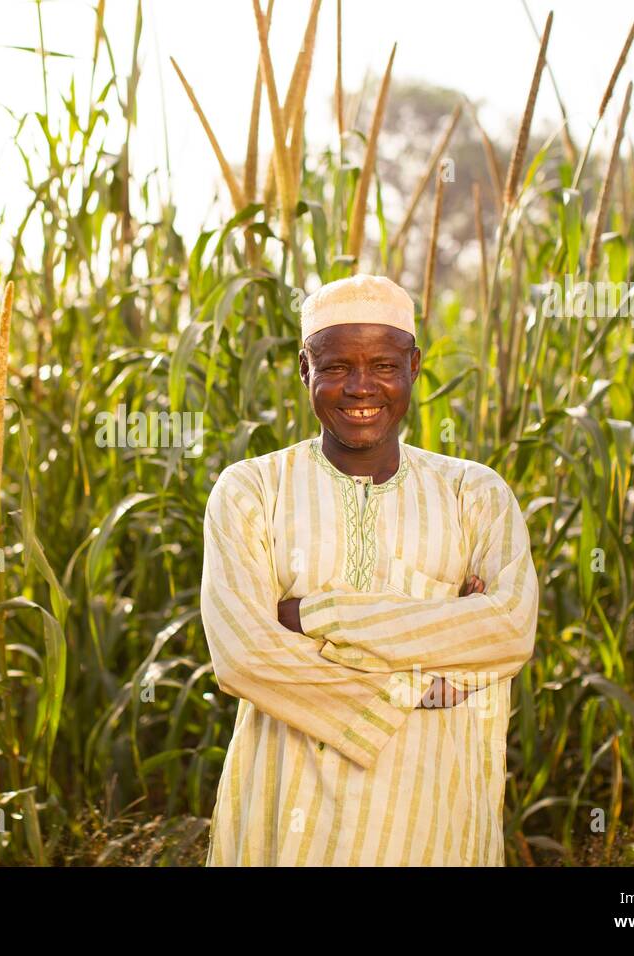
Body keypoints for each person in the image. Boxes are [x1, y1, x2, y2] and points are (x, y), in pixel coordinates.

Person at [200, 274, 539, 866]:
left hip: (435, 807)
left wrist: (317, 614)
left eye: (383, 365)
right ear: (305, 369)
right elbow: (243, 655)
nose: (361, 388)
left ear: (413, 365)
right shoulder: (252, 491)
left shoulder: (475, 493)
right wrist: (431, 662)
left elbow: (509, 630)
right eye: (335, 367)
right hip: (289, 810)